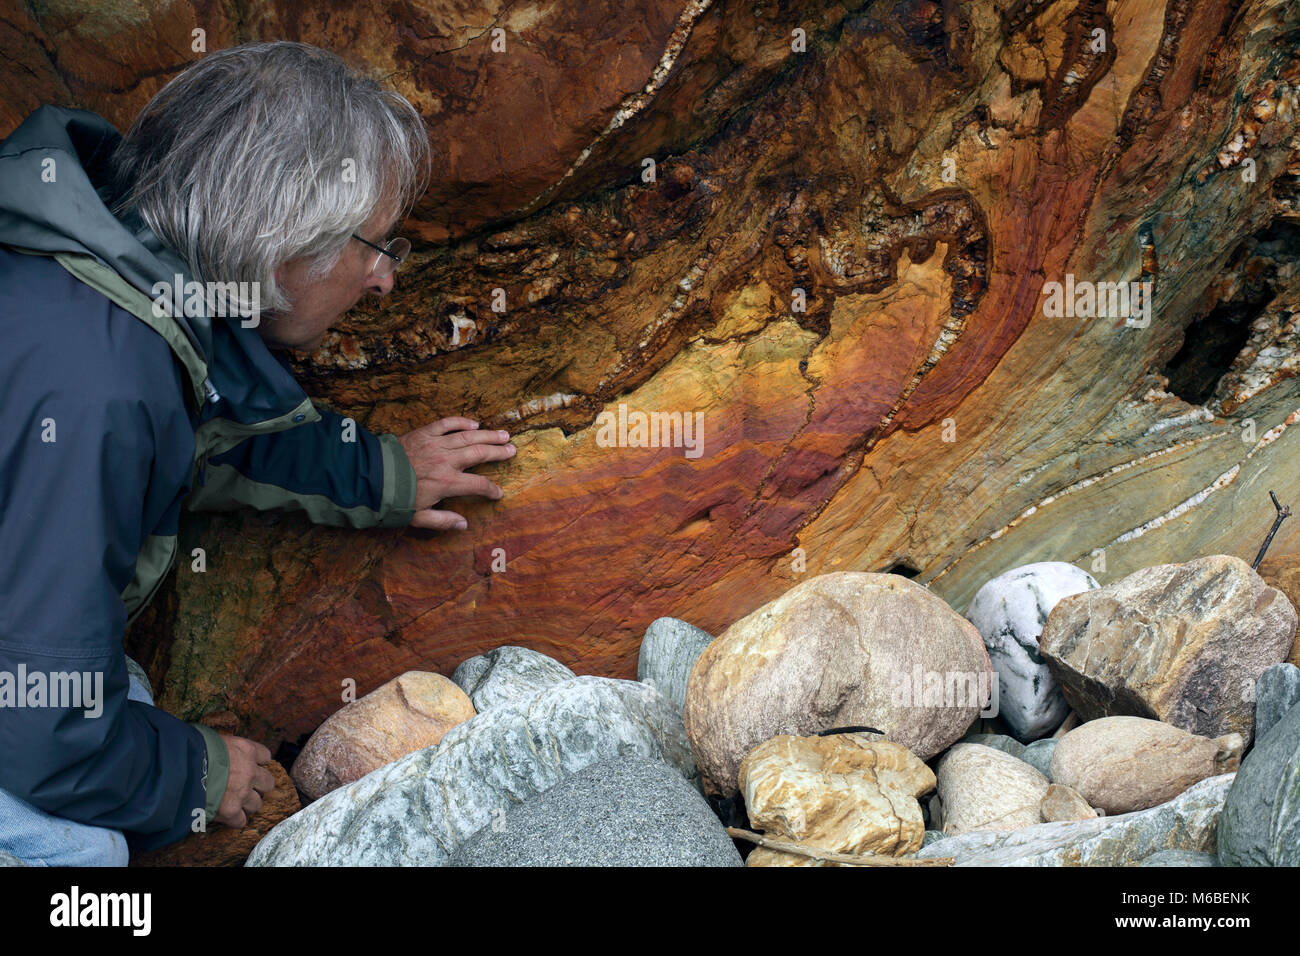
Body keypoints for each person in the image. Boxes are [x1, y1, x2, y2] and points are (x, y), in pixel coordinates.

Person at [0, 41, 515, 864]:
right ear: (282, 238)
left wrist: (375, 473)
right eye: (375, 245)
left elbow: (203, 426)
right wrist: (194, 778)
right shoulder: (93, 388)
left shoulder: (106, 251)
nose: (384, 279)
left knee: (118, 694)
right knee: (80, 855)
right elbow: (41, 722)